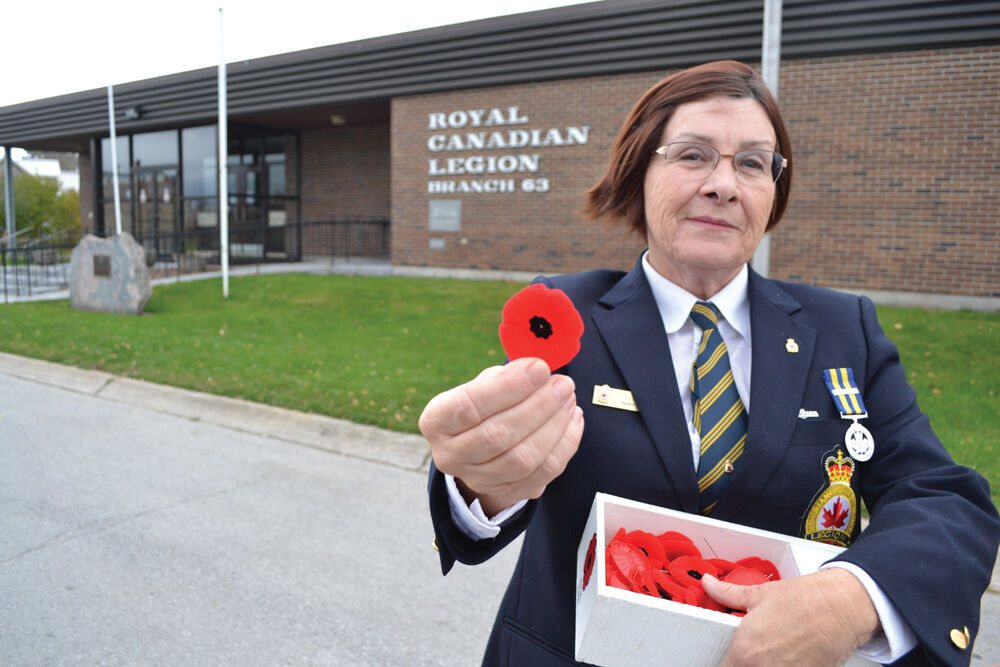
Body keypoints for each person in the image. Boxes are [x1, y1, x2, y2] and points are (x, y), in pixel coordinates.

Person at [419, 60, 999, 666]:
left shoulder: (842, 329)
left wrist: (848, 600)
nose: (724, 184)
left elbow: (942, 496)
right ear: (639, 172)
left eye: (752, 163)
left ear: (773, 191)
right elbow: (491, 484)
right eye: (693, 155)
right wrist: (480, 482)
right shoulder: (568, 316)